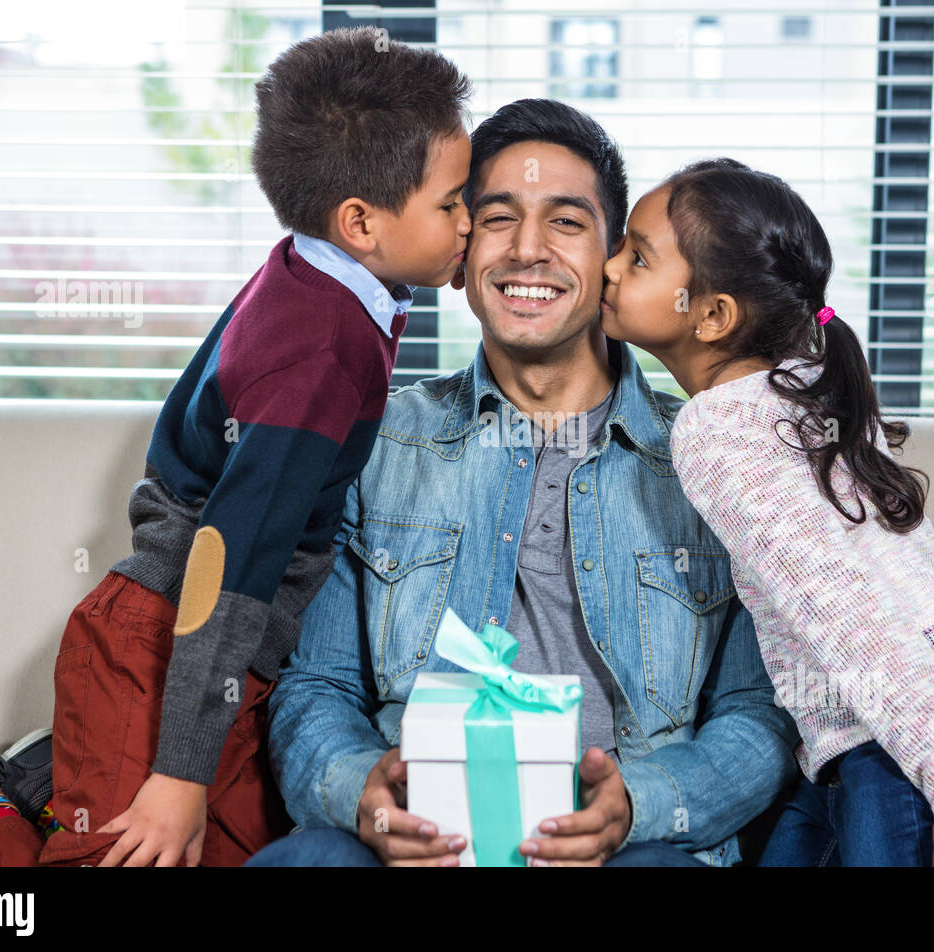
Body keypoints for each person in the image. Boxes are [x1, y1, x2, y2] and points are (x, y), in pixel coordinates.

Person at [0, 27, 473, 868]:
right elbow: (229, 564)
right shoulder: (321, 353)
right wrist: (180, 771)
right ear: (361, 222)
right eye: (451, 204)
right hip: (170, 640)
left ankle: (51, 783)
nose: (468, 223)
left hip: (221, 664)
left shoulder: (321, 272)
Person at [246, 100, 800, 869]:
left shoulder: (718, 459)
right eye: (498, 218)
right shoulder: (378, 440)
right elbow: (318, 687)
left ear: (616, 260)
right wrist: (358, 794)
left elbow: (757, 714)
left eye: (567, 223)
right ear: (460, 248)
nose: (528, 251)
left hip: (631, 851)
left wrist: (637, 807)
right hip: (418, 846)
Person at [598, 157, 934, 866]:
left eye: (638, 257)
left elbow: (844, 611)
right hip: (896, 716)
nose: (609, 266)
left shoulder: (716, 431)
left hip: (897, 729)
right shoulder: (803, 392)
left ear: (712, 316)